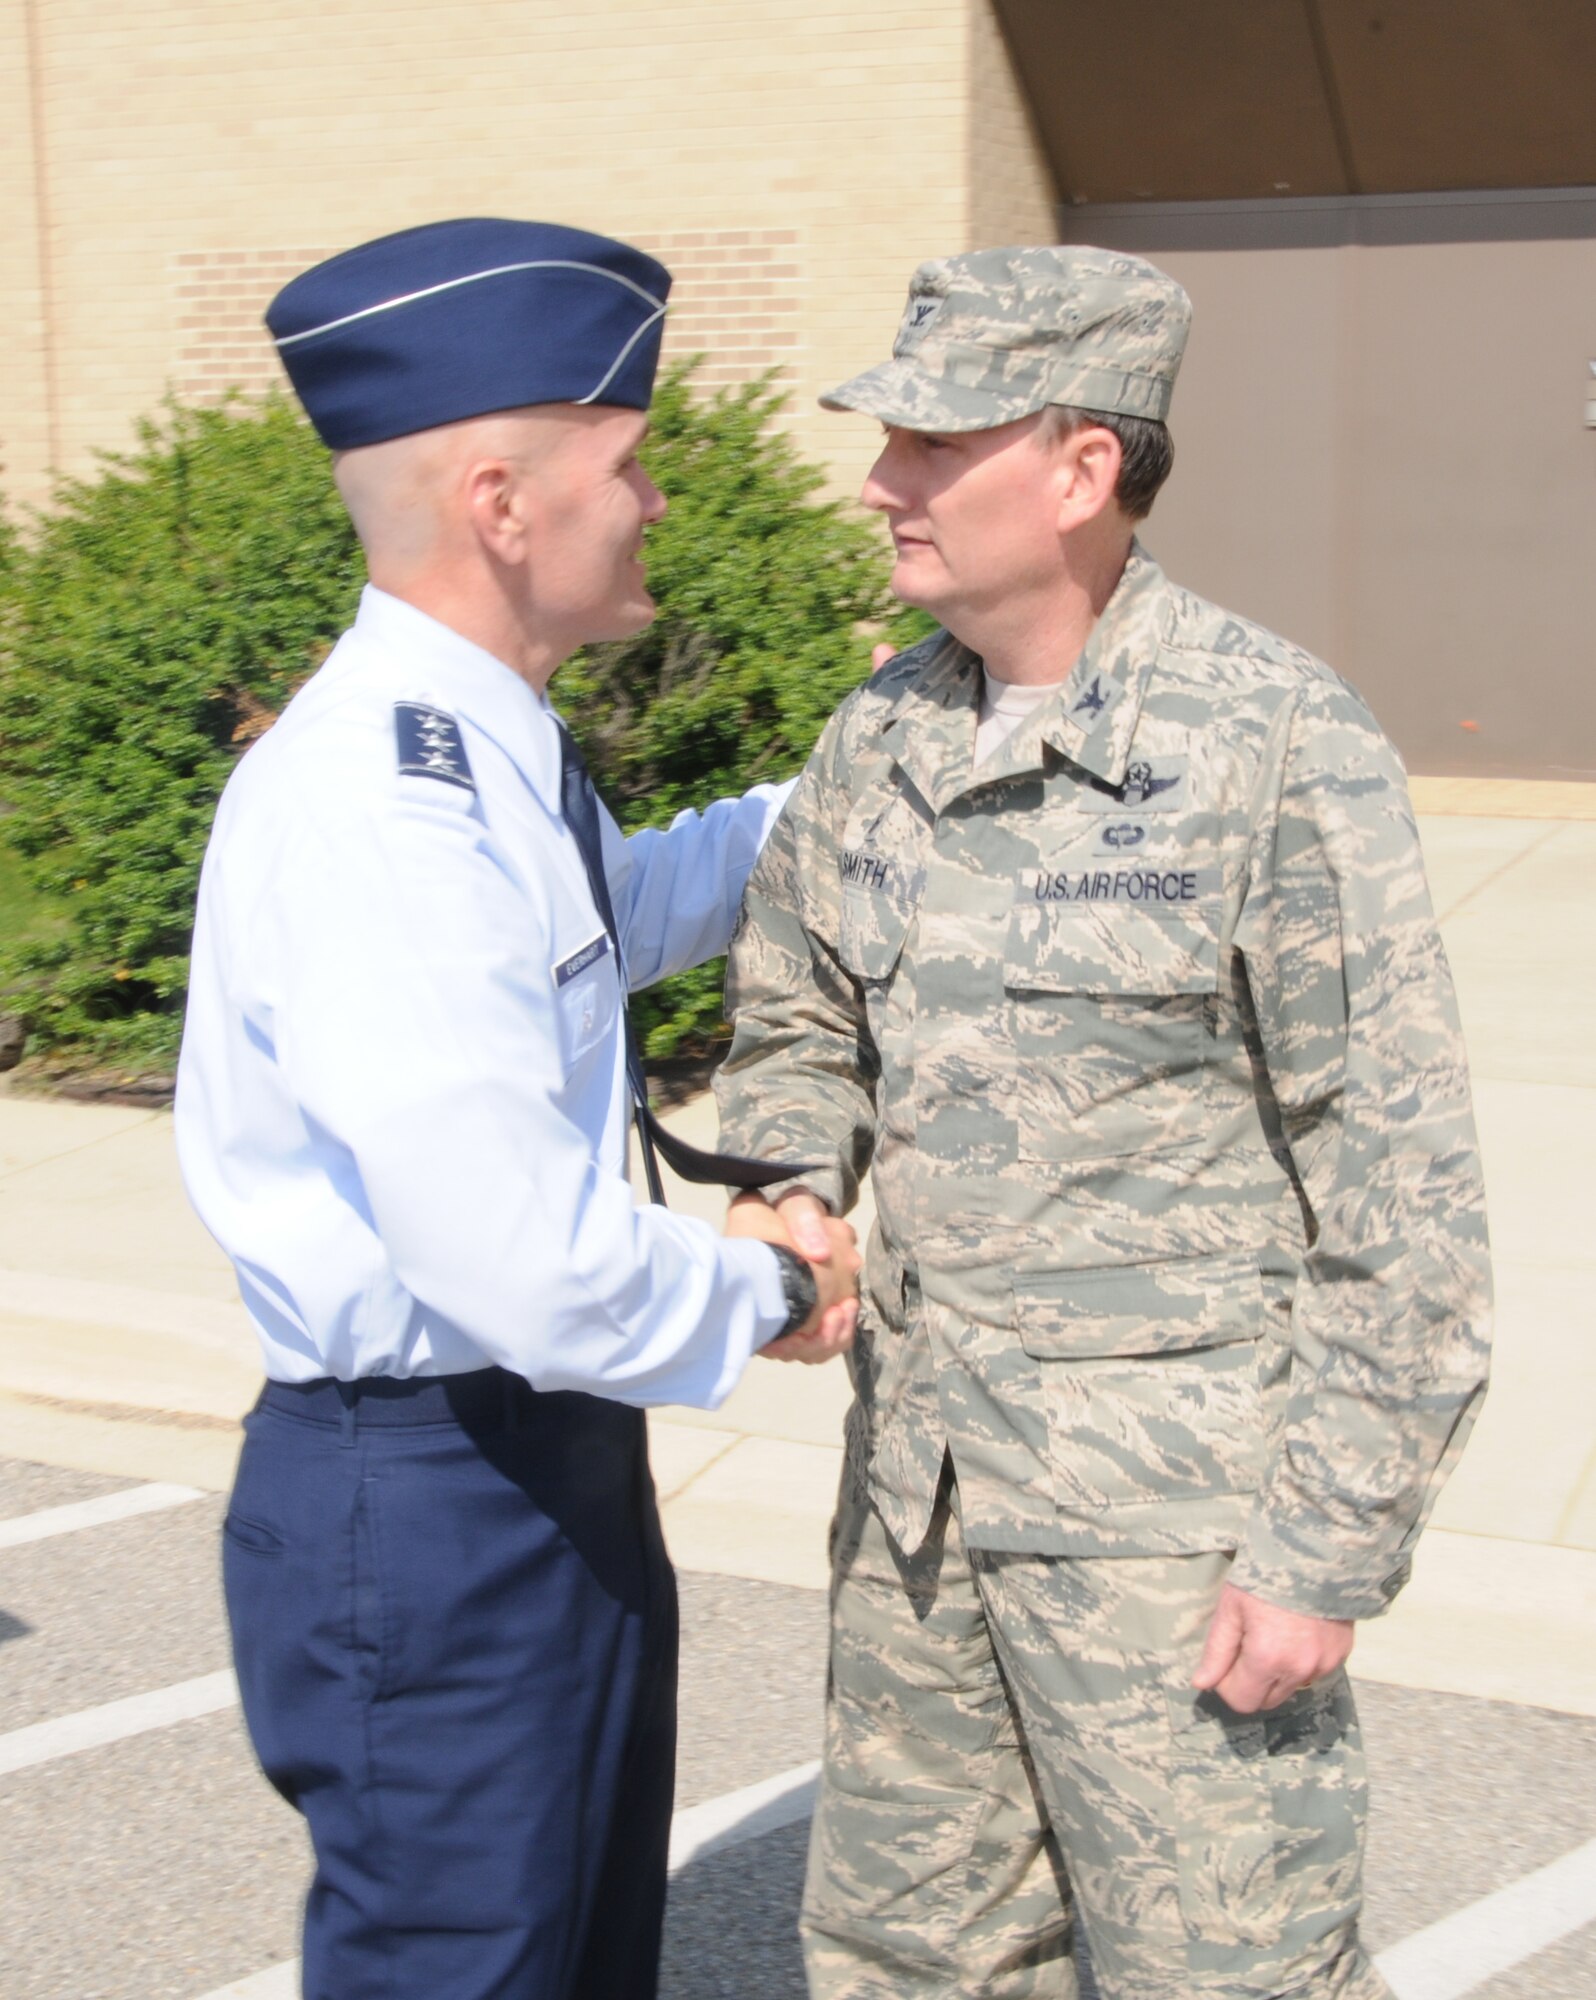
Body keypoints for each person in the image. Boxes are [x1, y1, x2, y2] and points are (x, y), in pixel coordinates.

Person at [714, 246, 1492, 1999]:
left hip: (1175, 1548)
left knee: (1226, 1973)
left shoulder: (1272, 741)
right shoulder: (881, 733)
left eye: (932, 441)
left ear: (1081, 468)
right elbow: (795, 1017)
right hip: (916, 1513)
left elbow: (1406, 1194)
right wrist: (788, 1186)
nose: (879, 482)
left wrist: (1324, 1550)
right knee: (914, 1958)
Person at [174, 217, 859, 2000]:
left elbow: (609, 920)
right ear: (500, 500)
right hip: (431, 1487)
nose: (653, 503)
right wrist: (770, 1287)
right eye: (625, 468)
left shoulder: (477, 743)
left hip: (530, 1459)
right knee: (469, 1966)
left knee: (572, 1952)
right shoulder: (385, 810)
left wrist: (864, 773)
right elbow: (521, 1262)